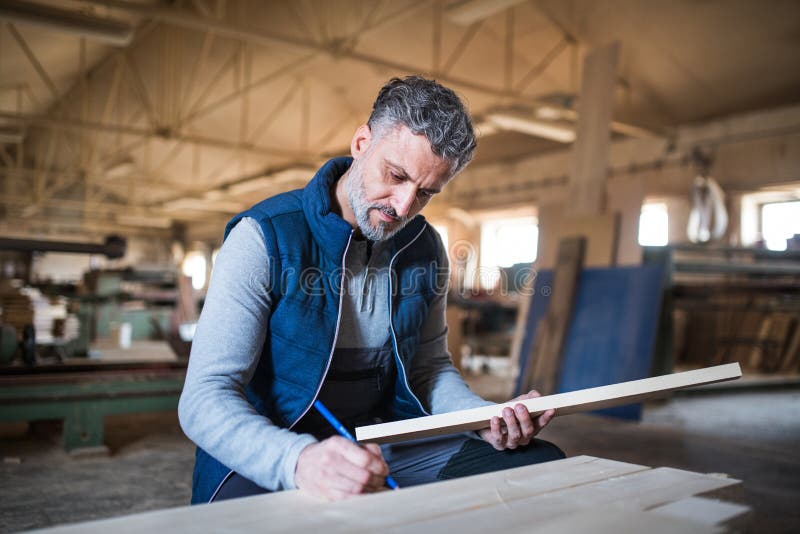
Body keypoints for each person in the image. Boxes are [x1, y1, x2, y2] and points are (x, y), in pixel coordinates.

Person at [179, 76, 564, 504]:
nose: (403, 206)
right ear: (362, 142)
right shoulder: (263, 237)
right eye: (396, 175)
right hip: (274, 448)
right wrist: (300, 461)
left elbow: (428, 370)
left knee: (537, 466)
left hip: (383, 445)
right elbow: (204, 398)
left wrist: (483, 419)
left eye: (426, 193)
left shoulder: (424, 247)